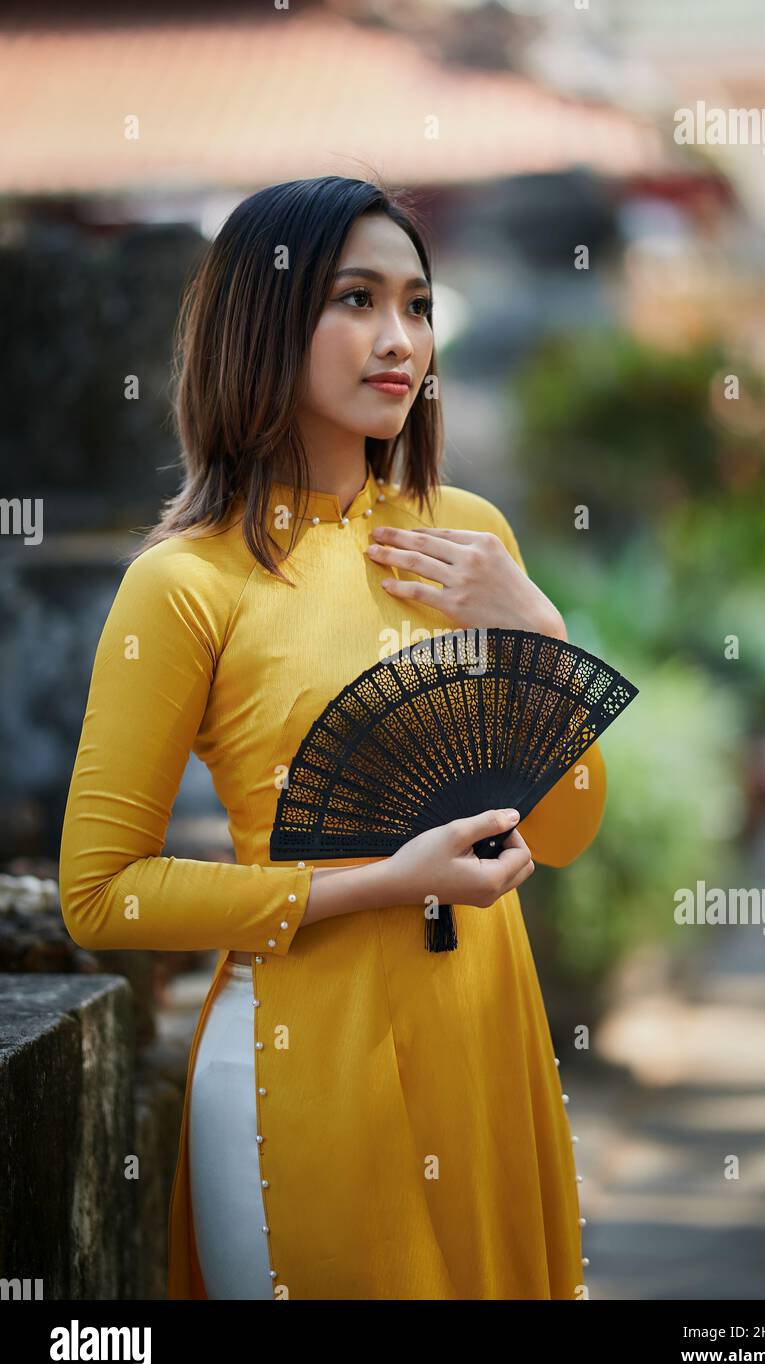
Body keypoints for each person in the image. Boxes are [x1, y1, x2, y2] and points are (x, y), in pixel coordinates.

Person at [59, 175, 607, 1300]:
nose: (398, 339)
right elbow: (100, 893)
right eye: (356, 299)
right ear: (261, 323)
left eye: (417, 304)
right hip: (303, 1054)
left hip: (485, 1036)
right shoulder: (186, 583)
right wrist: (372, 882)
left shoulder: (467, 539)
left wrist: (539, 630)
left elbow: (563, 829)